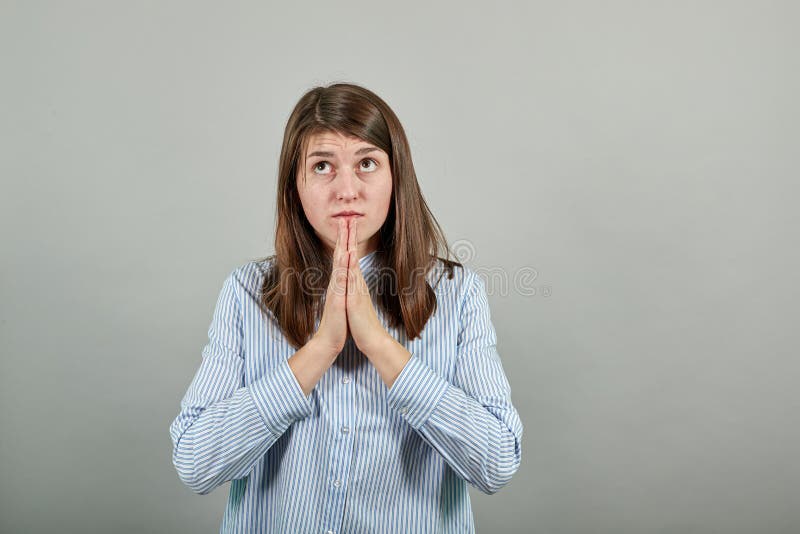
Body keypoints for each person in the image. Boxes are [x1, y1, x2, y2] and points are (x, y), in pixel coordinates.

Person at [168, 82, 523, 533]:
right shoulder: (247, 293)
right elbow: (196, 463)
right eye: (322, 166)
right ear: (294, 185)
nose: (347, 190)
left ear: (397, 177)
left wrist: (378, 344)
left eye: (367, 164)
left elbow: (496, 462)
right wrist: (321, 348)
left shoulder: (458, 294)